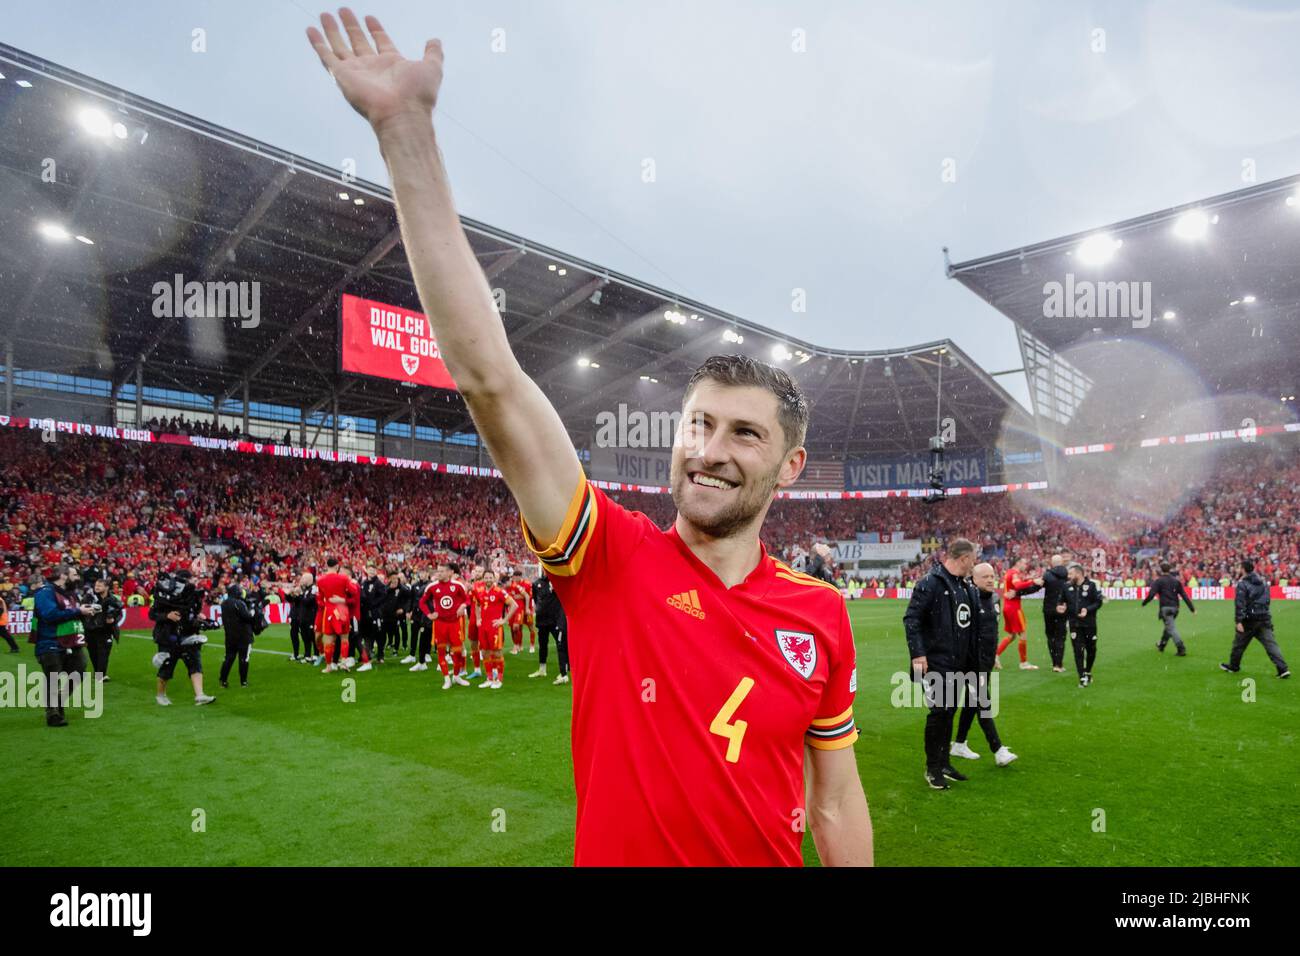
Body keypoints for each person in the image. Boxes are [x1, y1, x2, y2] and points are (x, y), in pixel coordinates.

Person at [307, 8, 871, 865]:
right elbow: (491, 379)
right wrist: (404, 132)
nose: (711, 448)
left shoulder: (821, 614)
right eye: (699, 423)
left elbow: (834, 804)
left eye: (745, 434)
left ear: (790, 466)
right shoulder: (609, 560)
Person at [904, 539, 982, 789]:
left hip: (957, 662)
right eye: (973, 558)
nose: (974, 563)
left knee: (949, 712)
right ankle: (933, 768)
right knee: (939, 714)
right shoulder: (931, 583)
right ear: (963, 558)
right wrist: (918, 654)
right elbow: (911, 619)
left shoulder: (963, 585)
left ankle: (944, 762)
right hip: (934, 662)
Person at [950, 562, 1018, 766]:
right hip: (971, 661)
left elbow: (992, 631)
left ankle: (959, 744)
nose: (990, 579)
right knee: (983, 702)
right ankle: (998, 749)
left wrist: (994, 654)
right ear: (974, 579)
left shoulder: (995, 598)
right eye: (985, 576)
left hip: (986, 660)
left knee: (972, 703)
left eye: (992, 576)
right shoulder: (967, 600)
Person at [32, 564, 96, 727]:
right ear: (63, 576)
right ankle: (52, 713)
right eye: (74, 575)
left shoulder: (72, 594)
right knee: (53, 677)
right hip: (50, 641)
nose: (77, 578)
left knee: (79, 671)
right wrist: (78, 612)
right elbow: (50, 615)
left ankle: (59, 701)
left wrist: (85, 613)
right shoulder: (45, 592)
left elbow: (74, 614)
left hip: (72, 640)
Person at [1221, 560, 1290, 678]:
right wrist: (1266, 616)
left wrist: (1238, 621)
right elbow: (1267, 600)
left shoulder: (1242, 584)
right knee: (1271, 645)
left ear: (1243, 569)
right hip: (1263, 618)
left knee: (1238, 645)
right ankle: (1283, 669)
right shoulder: (1263, 582)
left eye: (1239, 567)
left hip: (1249, 620)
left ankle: (1234, 666)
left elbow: (1240, 604)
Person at [419, 563, 471, 689]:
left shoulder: (458, 586)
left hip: (454, 624)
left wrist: (462, 606)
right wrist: (429, 614)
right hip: (440, 624)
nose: (439, 574)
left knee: (458, 652)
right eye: (438, 571)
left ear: (450, 572)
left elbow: (467, 600)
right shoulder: (432, 587)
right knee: (441, 652)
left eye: (442, 571)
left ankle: (457, 676)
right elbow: (422, 602)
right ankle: (446, 678)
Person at [995, 556, 1042, 670]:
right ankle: (1023, 663)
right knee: (1023, 634)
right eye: (1024, 563)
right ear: (1018, 563)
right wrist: (1033, 581)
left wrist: (1026, 582)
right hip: (1014, 608)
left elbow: (1015, 587)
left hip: (1007, 606)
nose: (1025, 565)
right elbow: (1018, 585)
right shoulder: (1014, 573)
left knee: (1011, 636)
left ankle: (995, 655)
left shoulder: (1009, 573)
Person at [473, 570, 517, 688]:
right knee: (485, 652)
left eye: (490, 577)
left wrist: (504, 620)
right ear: (483, 579)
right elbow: (477, 604)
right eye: (486, 578)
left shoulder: (499, 591)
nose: (488, 580)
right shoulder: (480, 591)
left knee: (497, 652)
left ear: (494, 578)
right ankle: (489, 678)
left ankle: (499, 679)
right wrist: (478, 619)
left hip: (495, 627)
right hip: (483, 627)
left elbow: (514, 605)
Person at [1142, 562, 1195, 656]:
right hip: (1175, 608)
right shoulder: (1176, 581)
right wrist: (1192, 608)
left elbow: (1151, 594)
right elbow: (1184, 595)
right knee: (1168, 627)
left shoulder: (1158, 581)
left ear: (1161, 570)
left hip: (1165, 607)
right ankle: (1162, 645)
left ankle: (1181, 648)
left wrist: (1144, 603)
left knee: (1171, 628)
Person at [1063, 563, 1103, 687]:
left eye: (1070, 574)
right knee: (1078, 650)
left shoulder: (1091, 586)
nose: (1068, 576)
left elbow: (1098, 602)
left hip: (1089, 623)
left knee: (1091, 650)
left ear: (1078, 574)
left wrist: (1087, 609)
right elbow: (1061, 601)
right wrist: (1060, 606)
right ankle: (1082, 677)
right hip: (1074, 624)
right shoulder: (1066, 587)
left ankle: (1088, 671)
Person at [528, 570, 569, 684]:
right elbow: (536, 600)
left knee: (561, 645)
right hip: (542, 620)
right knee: (542, 645)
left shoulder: (557, 582)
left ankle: (565, 670)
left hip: (555, 620)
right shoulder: (536, 583)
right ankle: (542, 669)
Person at [82, 576, 123, 683]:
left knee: (103, 653)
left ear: (106, 587)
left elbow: (120, 613)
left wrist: (113, 620)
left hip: (106, 630)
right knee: (93, 653)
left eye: (100, 585)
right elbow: (82, 611)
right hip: (91, 630)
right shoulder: (89, 598)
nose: (97, 587)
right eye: (96, 585)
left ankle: (101, 675)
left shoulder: (113, 599)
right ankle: (98, 674)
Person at [219, 582, 257, 688]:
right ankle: (243, 682)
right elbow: (247, 617)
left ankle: (223, 680)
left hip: (230, 635)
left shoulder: (224, 603)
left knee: (229, 658)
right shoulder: (239, 603)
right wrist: (252, 611)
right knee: (244, 658)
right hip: (243, 635)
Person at [1040, 554, 1071, 673]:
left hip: (1048, 609)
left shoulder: (1047, 575)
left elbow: (1036, 587)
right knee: (1060, 637)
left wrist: (1018, 592)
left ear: (1052, 563)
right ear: (1062, 562)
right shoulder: (1067, 575)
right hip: (1062, 609)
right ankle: (1059, 664)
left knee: (1050, 636)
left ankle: (1054, 663)